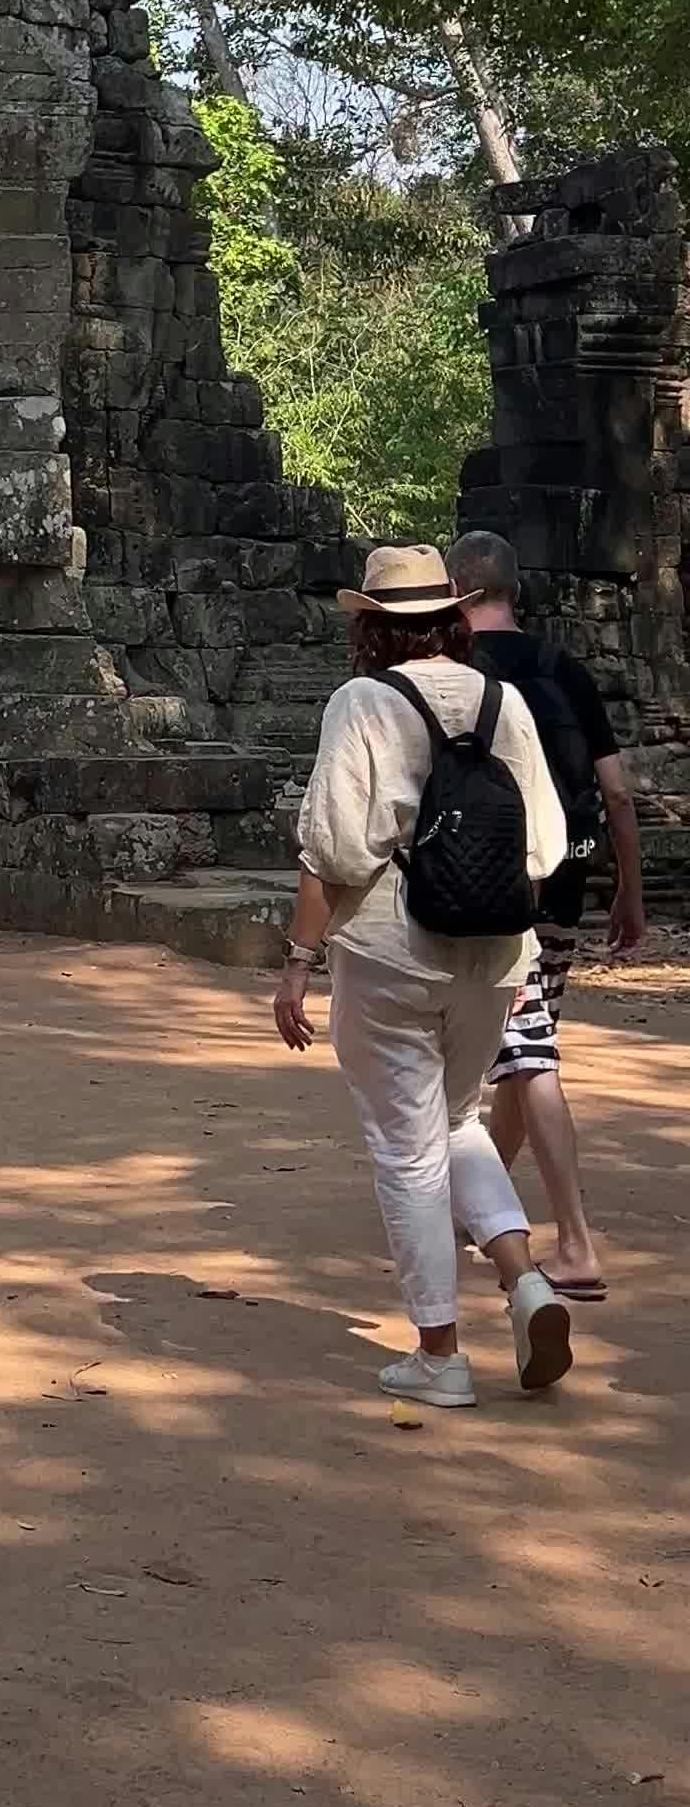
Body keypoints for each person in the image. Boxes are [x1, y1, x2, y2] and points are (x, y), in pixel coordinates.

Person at [273, 541, 573, 1410]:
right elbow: (546, 846)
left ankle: (440, 1352)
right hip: (494, 951)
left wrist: (297, 963)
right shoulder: (503, 701)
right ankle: (525, 1280)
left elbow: (332, 848)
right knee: (456, 1118)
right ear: (451, 616)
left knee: (406, 1150)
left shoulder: (362, 702)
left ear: (371, 627)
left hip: (391, 951)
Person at [449, 528, 648, 1301]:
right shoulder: (565, 670)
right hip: (566, 881)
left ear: (459, 590)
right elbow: (618, 794)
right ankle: (483, 1205)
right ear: (514, 590)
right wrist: (627, 890)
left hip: (490, 892)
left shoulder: (460, 672)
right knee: (518, 1053)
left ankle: (574, 1243)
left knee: (528, 1054)